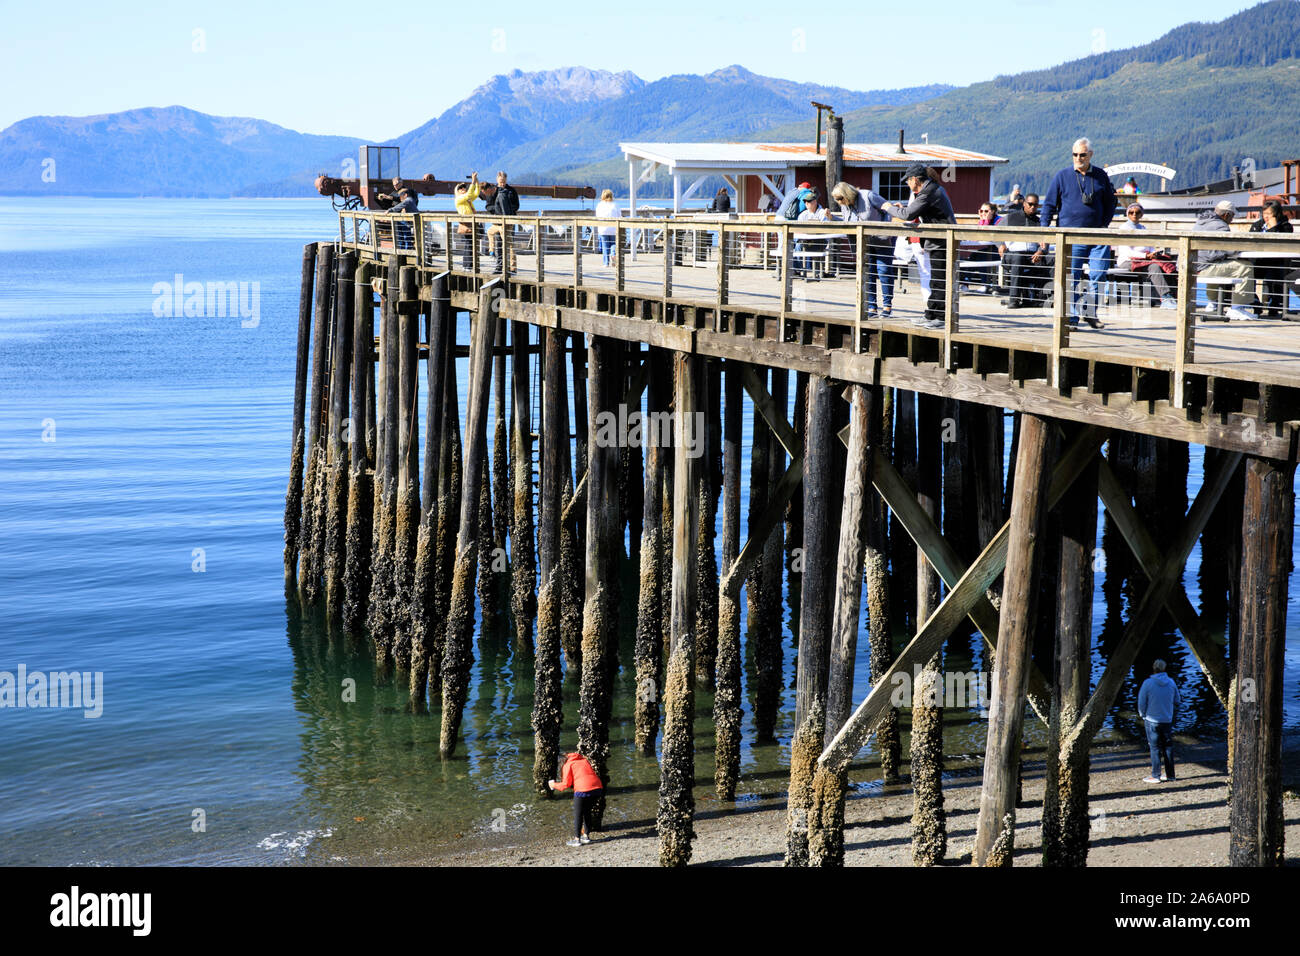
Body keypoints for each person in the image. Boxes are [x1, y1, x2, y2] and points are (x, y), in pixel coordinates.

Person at [1039, 137, 1117, 329]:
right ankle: (1071, 318)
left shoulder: (1100, 175)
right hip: (1071, 235)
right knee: (1071, 276)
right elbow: (1049, 205)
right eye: (1075, 154)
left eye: (1082, 154)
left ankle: (1090, 313)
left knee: (1098, 274)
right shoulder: (1062, 176)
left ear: (1091, 154)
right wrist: (1043, 232)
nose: (1078, 158)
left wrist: (1103, 224)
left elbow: (1111, 202)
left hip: (1097, 235)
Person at [887, 163, 956, 329]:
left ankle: (939, 318)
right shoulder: (930, 189)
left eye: (907, 181)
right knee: (936, 281)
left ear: (915, 179)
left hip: (942, 242)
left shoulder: (928, 192)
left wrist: (888, 208)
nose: (907, 184)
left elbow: (908, 215)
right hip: (937, 241)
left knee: (939, 281)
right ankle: (931, 315)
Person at [831, 181, 896, 316]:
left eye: (839, 198)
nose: (838, 202)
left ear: (847, 194)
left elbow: (888, 208)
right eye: (836, 199)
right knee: (868, 272)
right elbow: (847, 224)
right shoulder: (845, 205)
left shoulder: (868, 196)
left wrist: (886, 230)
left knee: (883, 271)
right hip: (864, 242)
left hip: (882, 239)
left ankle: (887, 306)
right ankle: (871, 306)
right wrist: (832, 218)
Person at [1195, 200, 1257, 321]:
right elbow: (1229, 248)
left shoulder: (1201, 222)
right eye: (1232, 216)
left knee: (1217, 265)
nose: (1232, 220)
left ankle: (1212, 303)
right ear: (1226, 215)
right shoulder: (1220, 226)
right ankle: (1237, 308)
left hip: (1194, 266)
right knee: (1245, 267)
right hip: (1203, 268)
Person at [1114, 202, 1177, 309]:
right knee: (1154, 266)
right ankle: (1165, 297)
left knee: (1167, 265)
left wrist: (1153, 254)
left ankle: (1172, 297)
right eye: (1131, 212)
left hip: (1145, 260)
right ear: (1127, 214)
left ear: (1141, 215)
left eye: (1137, 212)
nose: (1134, 214)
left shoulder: (1143, 228)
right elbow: (1127, 252)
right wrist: (1145, 256)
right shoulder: (1123, 228)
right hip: (1127, 261)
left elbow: (1150, 246)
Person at [998, 193, 1053, 308]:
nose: (1033, 207)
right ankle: (1014, 299)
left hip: (1032, 255)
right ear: (1024, 203)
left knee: (1053, 260)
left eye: (1036, 205)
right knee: (1018, 257)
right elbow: (994, 232)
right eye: (1030, 204)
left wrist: (1041, 251)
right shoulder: (1010, 218)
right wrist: (1001, 244)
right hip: (1013, 254)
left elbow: (1045, 242)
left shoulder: (1040, 222)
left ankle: (1046, 298)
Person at [1248, 199, 1295, 317]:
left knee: (1274, 273)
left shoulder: (1286, 227)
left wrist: (1273, 228)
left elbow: (1276, 243)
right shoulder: (1257, 225)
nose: (1266, 217)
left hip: (1276, 262)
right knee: (1247, 271)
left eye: (1269, 214)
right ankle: (1254, 301)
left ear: (1277, 214)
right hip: (1258, 261)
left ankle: (1274, 303)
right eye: (1264, 214)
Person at [1137, 659, 1180, 783]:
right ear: (1164, 669)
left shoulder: (1148, 683)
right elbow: (1177, 700)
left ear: (1153, 668)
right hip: (1167, 719)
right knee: (1168, 746)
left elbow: (1141, 703)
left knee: (1155, 747)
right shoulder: (1171, 682)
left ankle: (1156, 775)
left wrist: (1143, 715)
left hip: (1152, 720)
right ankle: (1170, 775)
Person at [548, 750, 603, 846]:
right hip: (597, 788)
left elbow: (565, 785)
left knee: (578, 814)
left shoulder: (567, 765)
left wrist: (553, 784)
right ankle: (586, 836)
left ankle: (577, 839)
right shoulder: (583, 760)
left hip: (582, 789)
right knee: (587, 812)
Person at [482, 170, 520, 274]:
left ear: (506, 180)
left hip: (509, 220)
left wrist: (508, 209)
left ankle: (512, 267)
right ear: (497, 180)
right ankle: (499, 266)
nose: (502, 184)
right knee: (499, 244)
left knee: (509, 244)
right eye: (500, 182)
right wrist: (497, 209)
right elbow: (488, 206)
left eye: (503, 182)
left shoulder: (512, 191)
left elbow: (517, 205)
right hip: (496, 221)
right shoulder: (493, 191)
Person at [794, 193, 830, 279]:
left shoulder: (822, 213)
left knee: (799, 245)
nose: (806, 204)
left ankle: (813, 271)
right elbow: (798, 229)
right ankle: (799, 270)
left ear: (815, 202)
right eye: (805, 202)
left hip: (820, 241)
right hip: (806, 240)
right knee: (797, 244)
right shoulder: (803, 214)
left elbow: (825, 229)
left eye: (808, 202)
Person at [453, 171, 481, 270]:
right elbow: (469, 194)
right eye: (460, 188)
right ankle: (468, 265)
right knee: (469, 244)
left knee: (469, 244)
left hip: (471, 222)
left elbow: (476, 193)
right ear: (457, 191)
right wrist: (473, 182)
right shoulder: (459, 199)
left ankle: (467, 265)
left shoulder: (467, 200)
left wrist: (476, 182)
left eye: (464, 187)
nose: (463, 189)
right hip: (466, 223)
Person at [594, 188, 619, 267]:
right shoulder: (615, 205)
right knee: (614, 244)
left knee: (605, 246)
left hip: (603, 228)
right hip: (614, 227)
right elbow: (619, 215)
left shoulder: (600, 205)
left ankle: (606, 263)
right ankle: (613, 254)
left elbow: (597, 216)